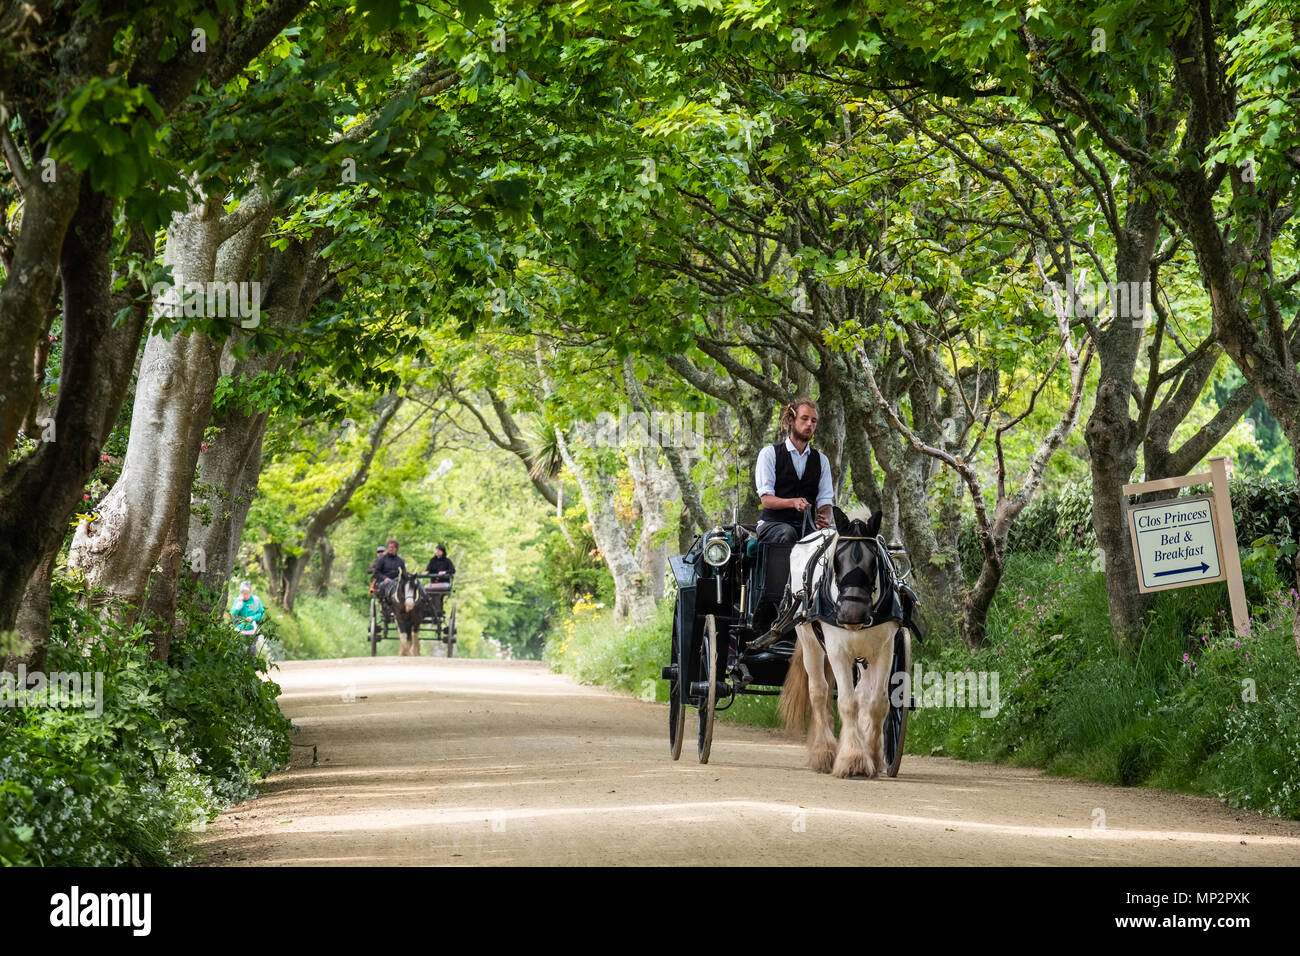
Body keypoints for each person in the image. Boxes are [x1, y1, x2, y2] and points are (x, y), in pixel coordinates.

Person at [754, 397, 834, 544]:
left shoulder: (822, 461)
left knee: (833, 538)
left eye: (814, 420)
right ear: (791, 420)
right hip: (772, 525)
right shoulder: (769, 454)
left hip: (807, 527)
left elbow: (825, 500)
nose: (809, 424)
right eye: (804, 418)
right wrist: (793, 502)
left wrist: (825, 518)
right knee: (787, 533)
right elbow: (766, 500)